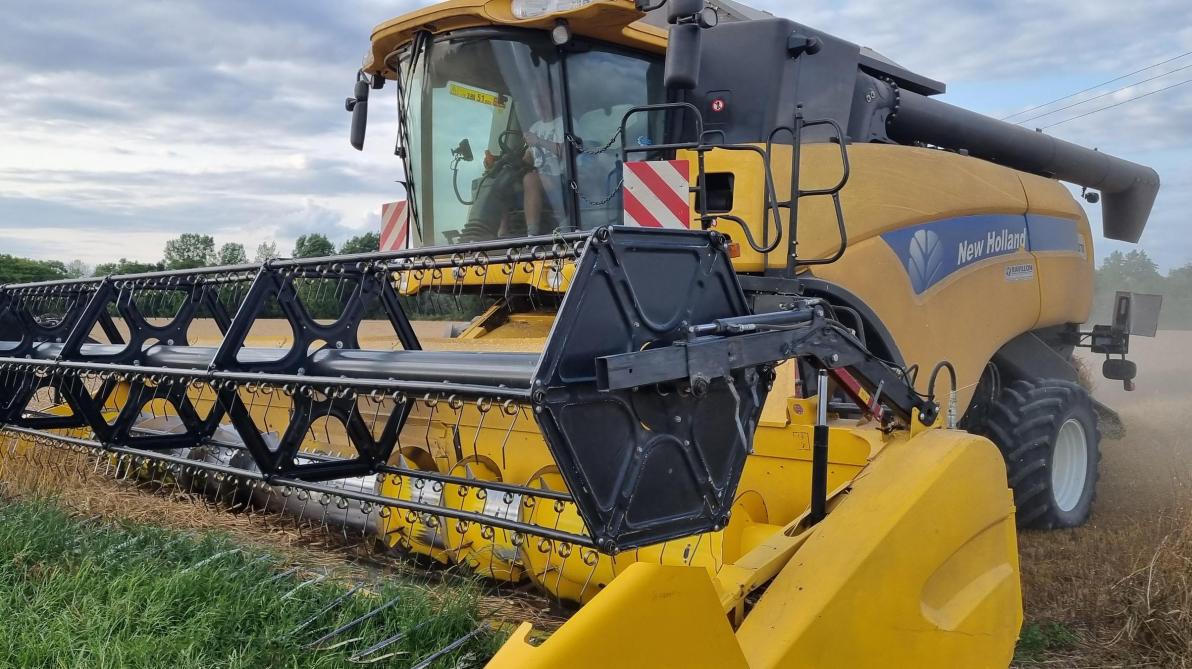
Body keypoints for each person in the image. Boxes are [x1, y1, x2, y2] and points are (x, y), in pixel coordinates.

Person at [521, 88, 566, 235]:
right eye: (536, 100)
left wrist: (539, 140)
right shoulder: (535, 127)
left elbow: (566, 152)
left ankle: (531, 235)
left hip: (561, 178)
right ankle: (501, 233)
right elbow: (530, 157)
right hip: (540, 175)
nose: (539, 104)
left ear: (552, 101)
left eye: (542, 99)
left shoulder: (565, 123)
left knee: (530, 180)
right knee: (501, 181)